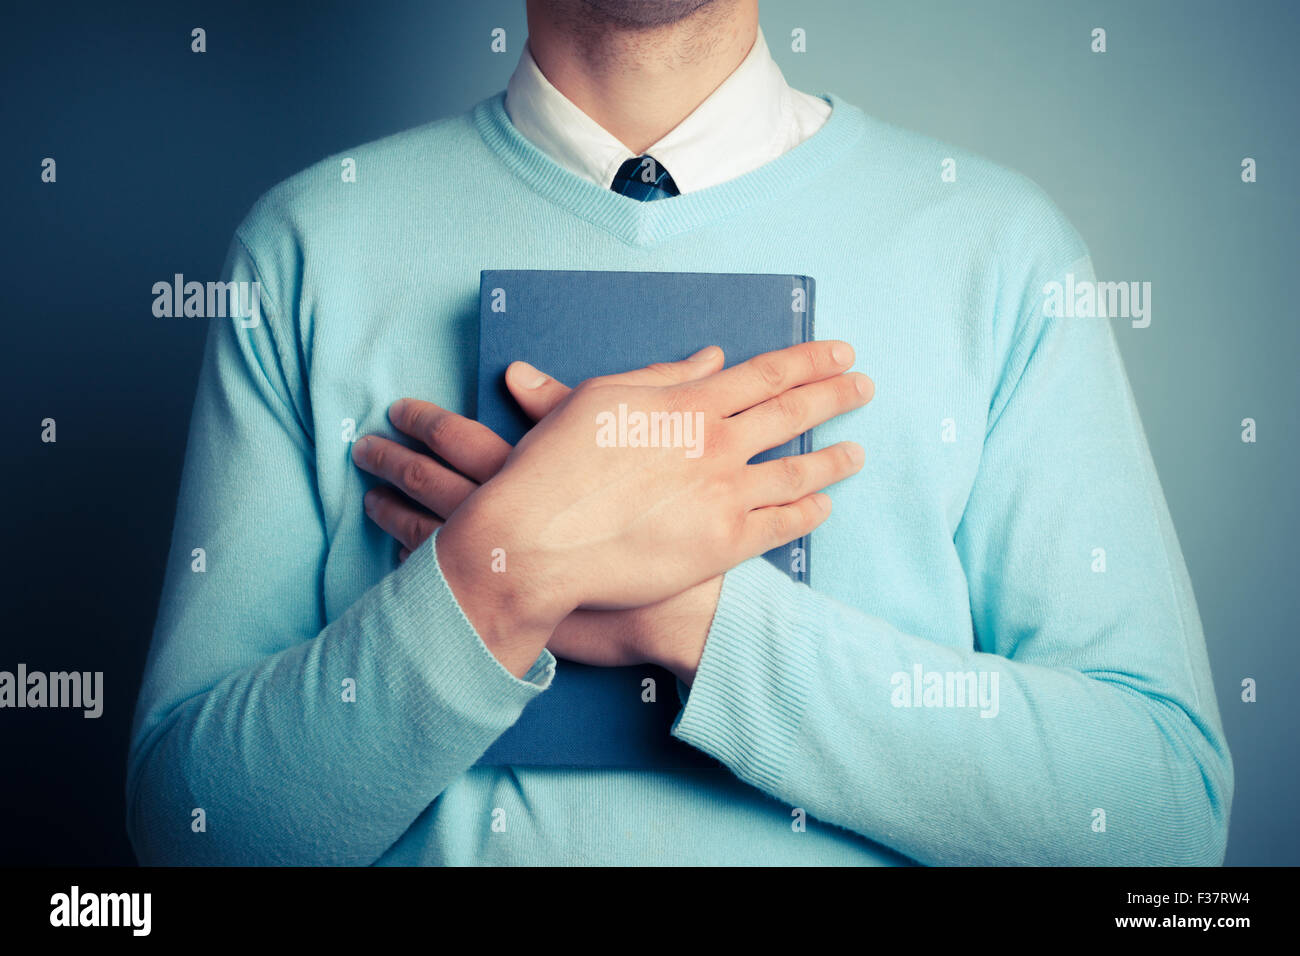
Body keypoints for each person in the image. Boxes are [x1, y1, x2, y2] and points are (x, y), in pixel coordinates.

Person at [126, 0, 1232, 865]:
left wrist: (684, 610)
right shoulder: (306, 246)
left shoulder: (1002, 252)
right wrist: (499, 578)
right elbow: (196, 826)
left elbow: (1157, 809)